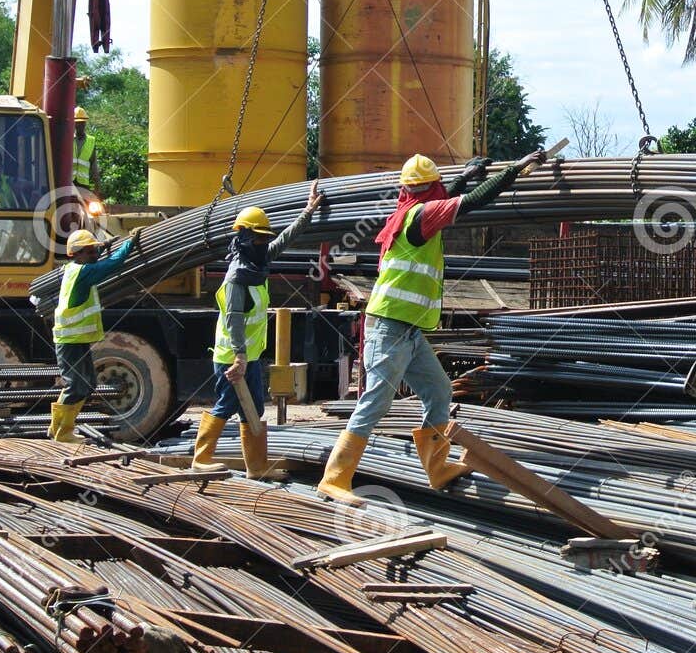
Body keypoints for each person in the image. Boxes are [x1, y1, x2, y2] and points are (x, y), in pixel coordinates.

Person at [317, 149, 545, 504]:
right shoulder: (420, 217)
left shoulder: (410, 211)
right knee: (375, 403)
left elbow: (446, 194)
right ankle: (335, 477)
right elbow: (467, 203)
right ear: (430, 188)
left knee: (438, 391)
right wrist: (513, 170)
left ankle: (437, 468)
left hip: (407, 330)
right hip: (389, 327)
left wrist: (469, 173)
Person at [191, 180, 325, 475]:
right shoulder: (238, 276)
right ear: (244, 239)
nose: (264, 244)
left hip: (247, 356)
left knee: (253, 409)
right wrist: (239, 357)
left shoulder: (257, 264)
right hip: (232, 358)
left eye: (266, 239)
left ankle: (257, 467)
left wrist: (308, 210)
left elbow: (286, 239)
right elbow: (234, 318)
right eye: (259, 239)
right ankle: (200, 458)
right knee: (227, 404)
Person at [48, 228, 138, 442]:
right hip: (69, 340)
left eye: (94, 251)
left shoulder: (76, 268)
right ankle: (62, 433)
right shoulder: (83, 272)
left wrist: (103, 246)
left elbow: (100, 260)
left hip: (75, 339)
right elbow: (112, 265)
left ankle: (57, 428)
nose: (94, 255)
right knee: (76, 386)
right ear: (77, 253)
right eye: (89, 252)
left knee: (87, 385)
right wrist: (130, 243)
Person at [72, 106, 100, 199]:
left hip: (83, 184)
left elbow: (94, 163)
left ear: (85, 123)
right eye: (77, 123)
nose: (79, 125)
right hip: (68, 183)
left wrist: (97, 185)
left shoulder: (91, 140)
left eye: (82, 123)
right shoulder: (67, 138)